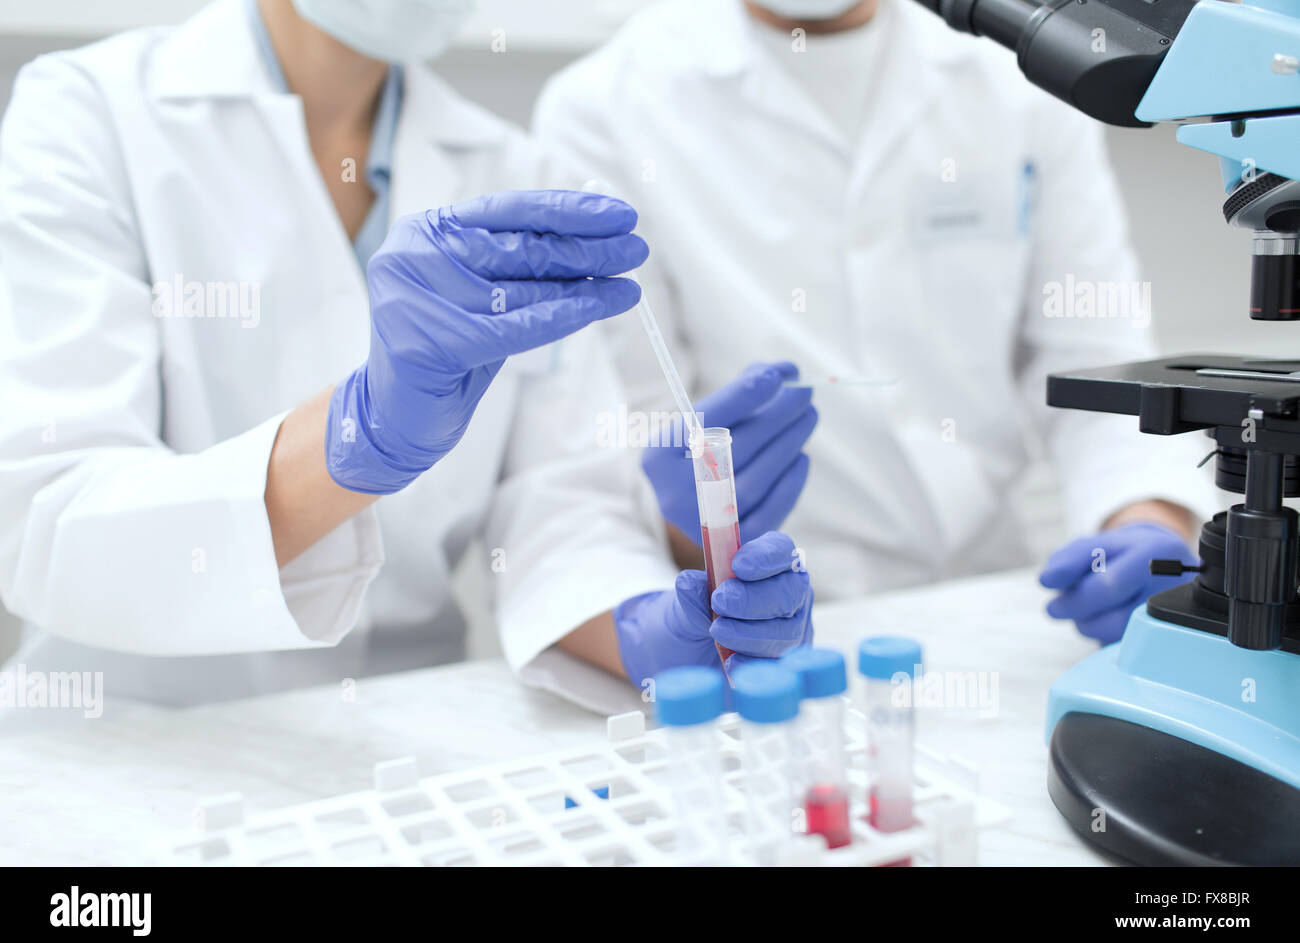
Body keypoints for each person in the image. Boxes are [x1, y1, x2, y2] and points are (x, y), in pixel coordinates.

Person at [0, 0, 813, 711]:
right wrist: (352, 440)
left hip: (401, 732)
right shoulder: (87, 116)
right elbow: (43, 514)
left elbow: (558, 504)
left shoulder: (510, 168)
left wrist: (649, 631)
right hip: (130, 749)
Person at [533, 0, 1218, 644]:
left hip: (996, 604)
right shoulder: (602, 109)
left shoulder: (1020, 74)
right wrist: (692, 524)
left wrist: (1148, 521)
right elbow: (628, 440)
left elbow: (1096, 356)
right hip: (768, 624)